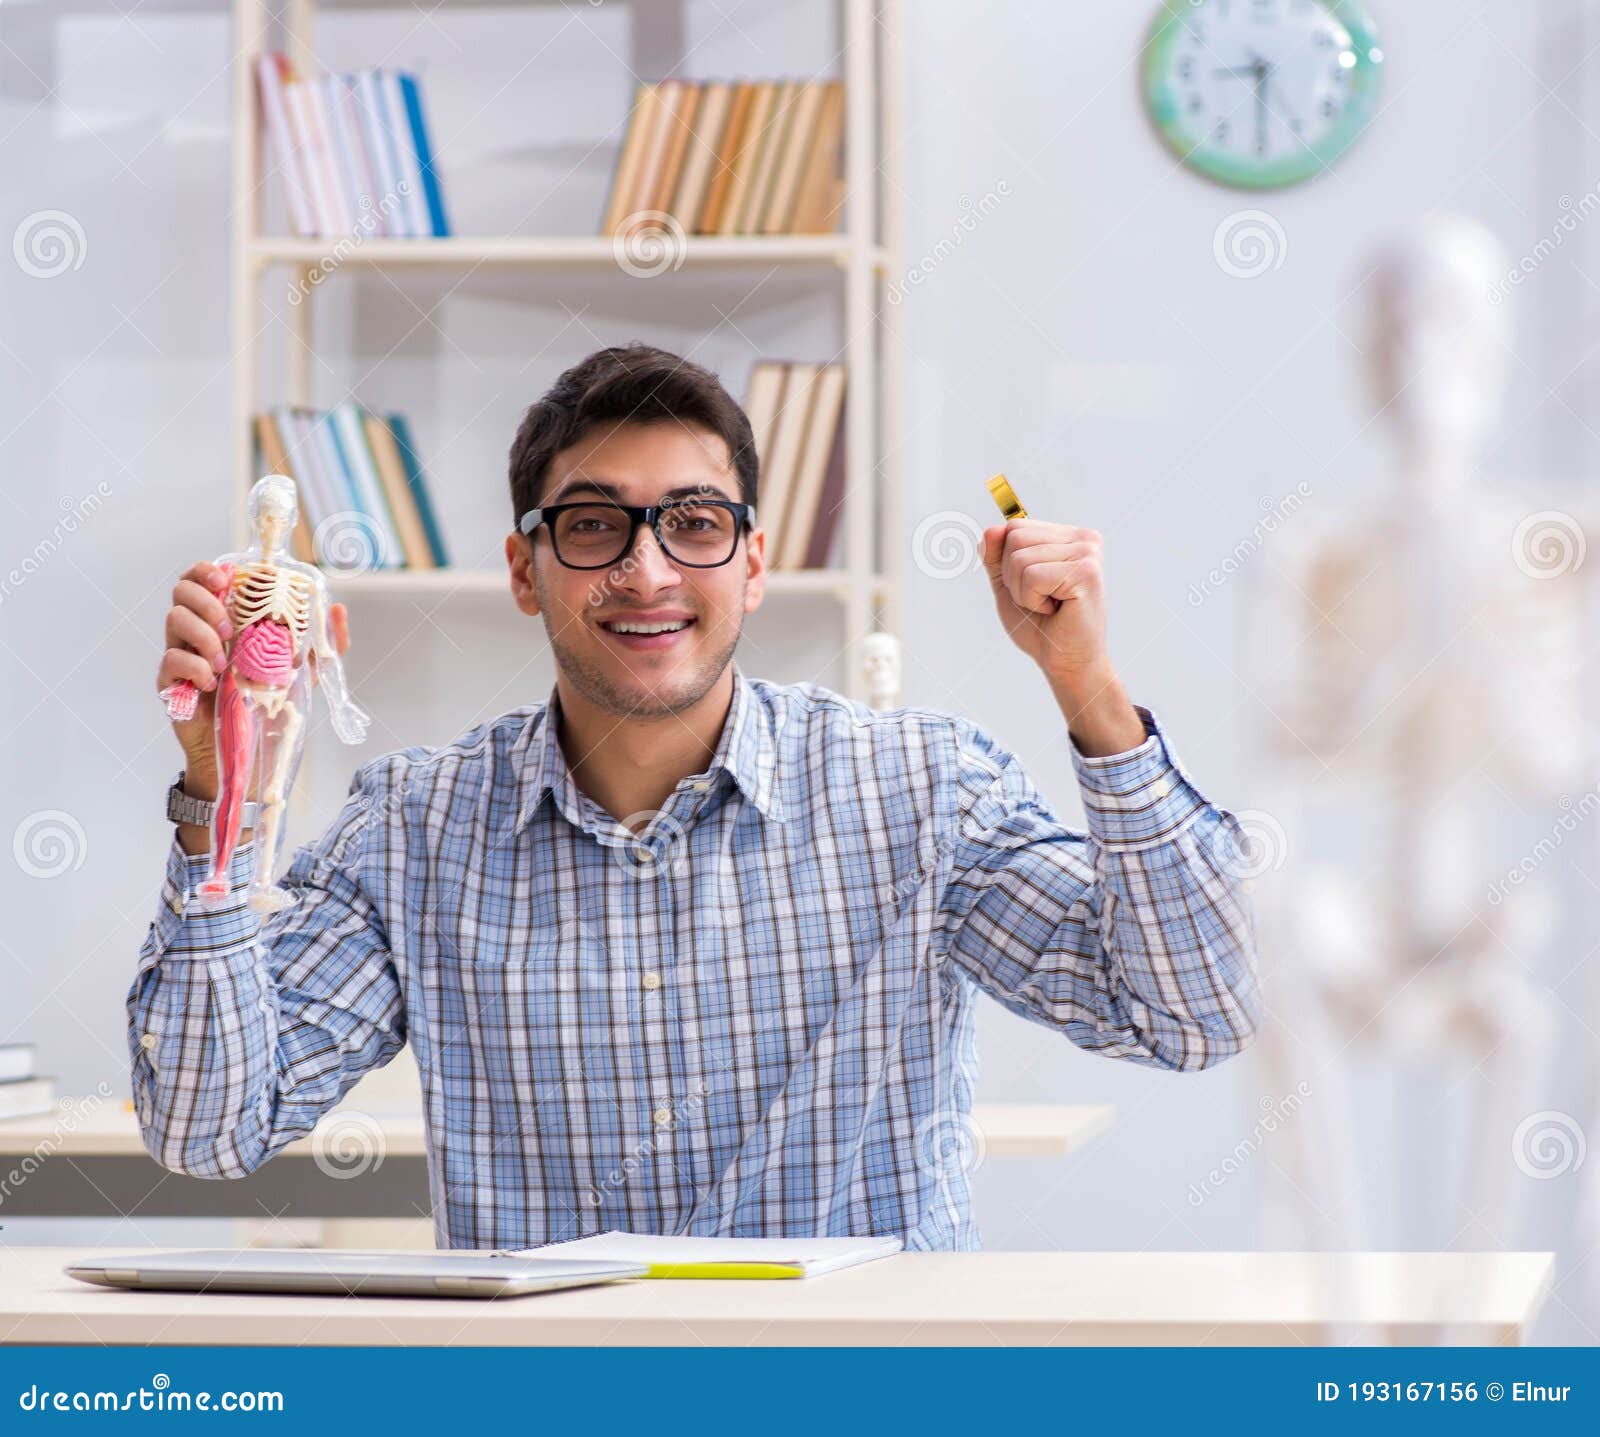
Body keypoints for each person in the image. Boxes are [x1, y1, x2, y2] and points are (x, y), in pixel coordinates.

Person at [131, 343, 1261, 1250]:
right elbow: (206, 1129)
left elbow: (1195, 1016)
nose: (648, 569)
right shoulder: (414, 832)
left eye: (694, 521)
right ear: (525, 573)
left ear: (753, 565)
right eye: (592, 524)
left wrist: (1087, 688)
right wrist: (224, 791)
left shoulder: (918, 795)